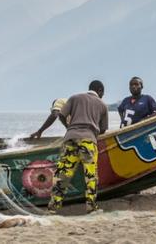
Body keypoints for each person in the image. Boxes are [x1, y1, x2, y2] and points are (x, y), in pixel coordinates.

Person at [48, 80, 109, 214]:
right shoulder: (102, 105)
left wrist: (69, 127)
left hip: (70, 139)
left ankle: (54, 206)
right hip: (88, 141)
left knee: (63, 173)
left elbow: (61, 115)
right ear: (100, 91)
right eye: (103, 93)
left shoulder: (75, 97)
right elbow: (103, 129)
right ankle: (90, 207)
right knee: (90, 174)